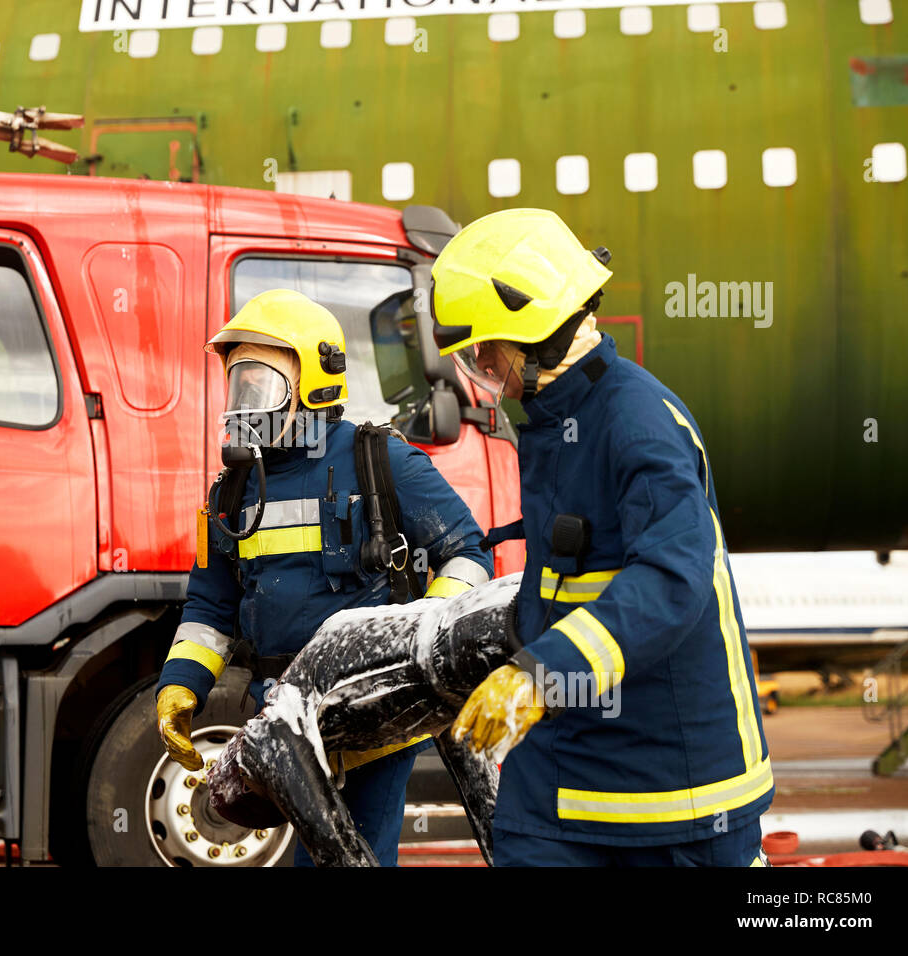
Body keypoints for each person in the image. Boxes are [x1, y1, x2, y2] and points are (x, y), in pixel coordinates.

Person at [434, 208, 773, 867]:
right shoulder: (566, 421)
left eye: (488, 350)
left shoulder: (637, 422)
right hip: (569, 771)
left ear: (536, 335)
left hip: (676, 795)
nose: (481, 367)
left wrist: (541, 675)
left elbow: (671, 580)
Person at [155, 288, 494, 867]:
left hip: (373, 707)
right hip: (286, 717)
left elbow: (468, 552)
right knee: (320, 857)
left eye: (260, 383)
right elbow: (211, 605)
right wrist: (181, 685)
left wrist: (421, 640)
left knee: (353, 850)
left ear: (315, 379)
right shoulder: (230, 491)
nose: (245, 401)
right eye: (239, 383)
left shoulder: (380, 459)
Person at [207, 571, 521, 867]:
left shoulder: (271, 735)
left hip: (473, 639)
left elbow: (340, 854)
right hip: (491, 618)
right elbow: (486, 799)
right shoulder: (323, 662)